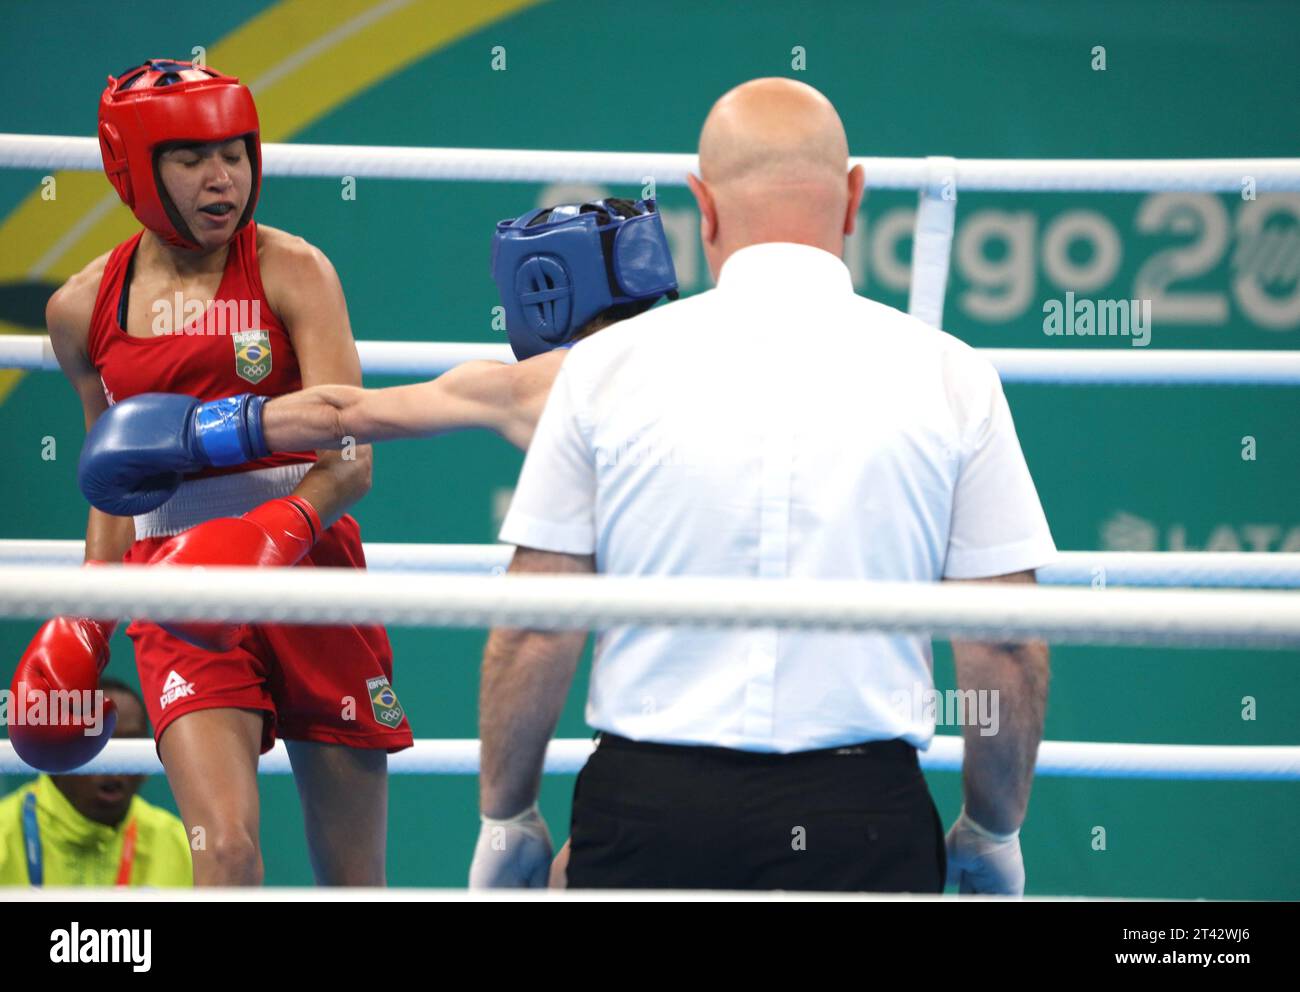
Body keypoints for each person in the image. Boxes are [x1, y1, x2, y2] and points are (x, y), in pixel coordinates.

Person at [468, 77, 1055, 893]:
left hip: (650, 818)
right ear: (855, 199)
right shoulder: (952, 376)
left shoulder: (605, 367)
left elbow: (536, 626)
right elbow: (1007, 643)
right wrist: (992, 830)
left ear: (700, 209)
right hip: (867, 819)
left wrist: (507, 820)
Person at [75, 195, 678, 889]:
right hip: (801, 740)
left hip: (661, 757)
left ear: (541, 287)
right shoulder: (744, 357)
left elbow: (348, 414)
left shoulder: (546, 386)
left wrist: (195, 432)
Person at [27, 59, 411, 886]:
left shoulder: (293, 269)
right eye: (193, 159)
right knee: (225, 852)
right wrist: (89, 618)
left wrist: (267, 535)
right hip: (176, 589)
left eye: (236, 155)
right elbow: (110, 484)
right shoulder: (79, 309)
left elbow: (351, 459)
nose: (222, 179)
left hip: (312, 572)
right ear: (133, 164)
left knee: (356, 882)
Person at [0, 679, 193, 887]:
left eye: (130, 747)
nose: (113, 765)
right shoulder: (5, 831)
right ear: (60, 750)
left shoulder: (184, 846)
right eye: (96, 742)